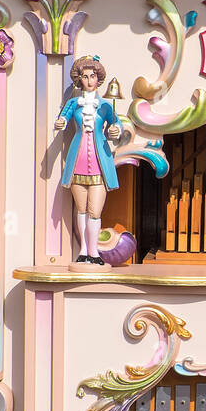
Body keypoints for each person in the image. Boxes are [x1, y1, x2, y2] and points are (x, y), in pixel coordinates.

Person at [55, 56, 121, 264]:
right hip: (78, 163)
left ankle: (95, 252)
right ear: (79, 79)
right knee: (81, 209)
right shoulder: (74, 103)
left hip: (100, 165)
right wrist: (60, 122)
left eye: (93, 76)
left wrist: (114, 130)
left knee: (95, 211)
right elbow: (63, 118)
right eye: (85, 76)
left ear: (98, 79)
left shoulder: (105, 105)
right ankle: (84, 251)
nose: (89, 80)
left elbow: (116, 126)